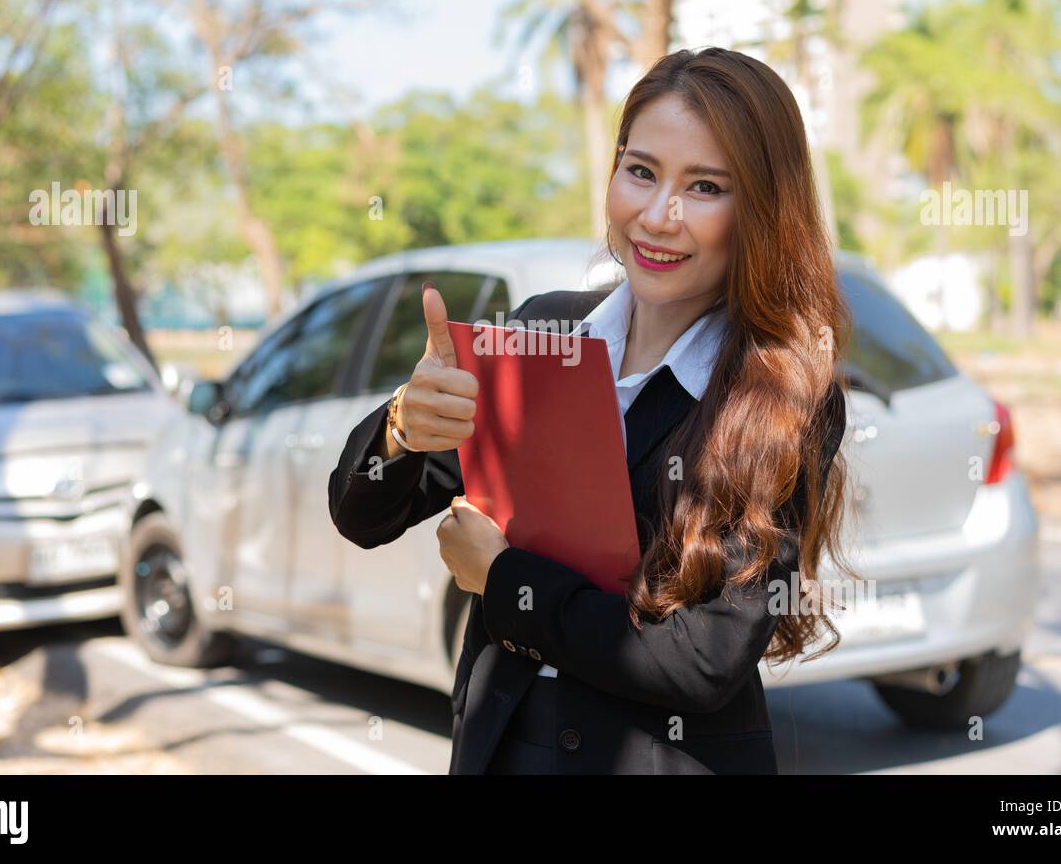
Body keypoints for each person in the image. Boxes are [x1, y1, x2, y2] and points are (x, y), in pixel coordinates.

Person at [327, 46, 852, 774]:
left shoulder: (783, 394)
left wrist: (507, 580)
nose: (658, 216)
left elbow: (702, 661)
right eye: (640, 171)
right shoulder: (543, 333)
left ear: (761, 209)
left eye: (704, 187)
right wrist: (403, 427)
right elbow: (363, 518)